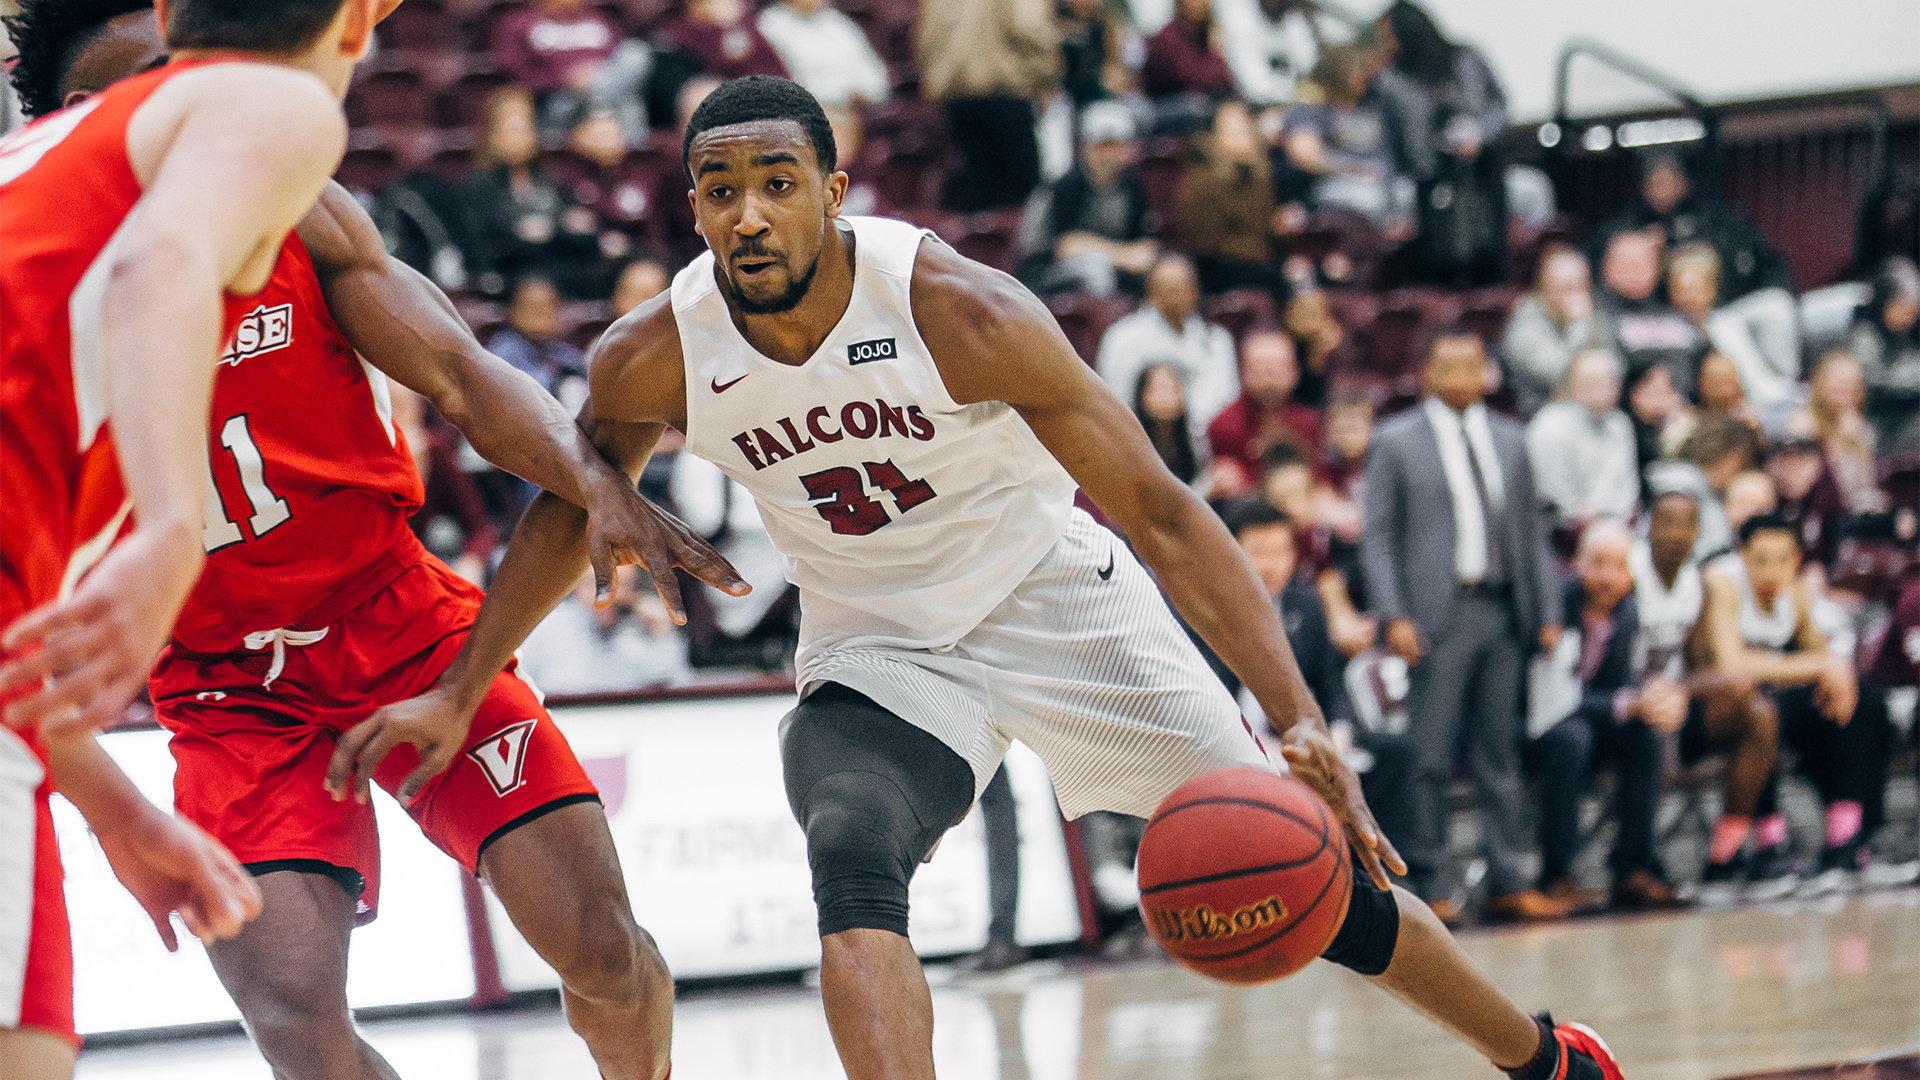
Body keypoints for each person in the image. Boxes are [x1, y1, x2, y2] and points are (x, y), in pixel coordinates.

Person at [356, 75, 1627, 1080]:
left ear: (834, 192)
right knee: (852, 863)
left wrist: (1296, 716)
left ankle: (1539, 1058)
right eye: (720, 190)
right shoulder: (654, 358)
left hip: (1057, 599)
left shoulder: (962, 311)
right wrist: (471, 681)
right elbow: (558, 514)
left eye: (777, 184)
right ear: (692, 207)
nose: (748, 215)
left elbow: (1164, 513)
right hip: (877, 639)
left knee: (1321, 881)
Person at [13, 7, 749, 1079]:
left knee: (601, 947)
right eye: (144, 91)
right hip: (225, 687)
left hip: (394, 617)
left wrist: (594, 484)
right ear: (80, 125)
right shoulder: (39, 281)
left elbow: (459, 373)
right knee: (293, 1020)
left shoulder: (297, 209)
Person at [0, 0, 398, 1070]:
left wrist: (121, 815)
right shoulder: (269, 102)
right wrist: (176, 527)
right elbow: (158, 263)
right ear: (355, 29)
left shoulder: (44, 161)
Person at [1360, 328, 1567, 924]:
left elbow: (1532, 533)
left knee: (1499, 755)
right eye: (1447, 365)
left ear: (1487, 373)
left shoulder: (1512, 439)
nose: (1460, 376)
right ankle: (1426, 884)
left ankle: (1507, 878)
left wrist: (1548, 611)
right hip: (1434, 617)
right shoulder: (1395, 441)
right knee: (1428, 757)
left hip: (1502, 611)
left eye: (1471, 365)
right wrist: (1393, 613)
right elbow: (1378, 537)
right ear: (1426, 373)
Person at [1700, 516, 1892, 899]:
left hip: (1774, 698)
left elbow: (1816, 653)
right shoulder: (1721, 583)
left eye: (1782, 560)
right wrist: (1824, 665)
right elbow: (1730, 664)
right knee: (1760, 714)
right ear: (1743, 557)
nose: (1772, 571)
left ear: (1796, 560)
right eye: (1761, 559)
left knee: (1865, 702)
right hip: (1714, 709)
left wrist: (1835, 673)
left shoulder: (1799, 591)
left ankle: (1844, 835)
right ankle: (1766, 843)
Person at [1215, 501, 1417, 862]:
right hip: (1240, 746)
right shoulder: (1208, 612)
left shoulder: (1305, 605)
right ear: (1231, 551)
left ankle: (1404, 879)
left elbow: (1331, 685)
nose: (1271, 565)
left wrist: (1338, 731)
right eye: (1259, 553)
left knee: (1395, 753)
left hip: (1309, 737)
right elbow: (1213, 701)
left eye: (1282, 552)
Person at [1625, 493, 1780, 906]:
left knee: (1758, 713)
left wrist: (1690, 688)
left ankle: (1725, 852)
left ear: (1697, 532)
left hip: (1682, 705)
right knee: (1651, 731)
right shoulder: (1628, 573)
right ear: (1649, 526)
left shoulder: (1699, 582)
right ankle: (1636, 862)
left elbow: (1701, 666)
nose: (1677, 534)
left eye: (1686, 524)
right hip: (1631, 707)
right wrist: (1652, 696)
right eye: (1667, 522)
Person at [1591, 151, 1799, 390]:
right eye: (1655, 182)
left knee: (1770, 309)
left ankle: (1784, 391)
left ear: (1686, 182)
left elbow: (1771, 267)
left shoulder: (1722, 222)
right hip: (1675, 317)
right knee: (1718, 327)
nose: (1662, 189)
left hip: (1727, 308)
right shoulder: (1627, 229)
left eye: (1669, 180)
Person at [1370, 1, 1507, 287]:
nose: (1387, 44)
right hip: (1428, 183)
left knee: (1489, 255)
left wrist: (1479, 134)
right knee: (1441, 264)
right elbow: (1389, 149)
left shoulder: (1466, 59)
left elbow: (1499, 107)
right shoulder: (1390, 81)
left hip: (1480, 175)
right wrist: (1392, 207)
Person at [459, 86, 602, 298]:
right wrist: (543, 233)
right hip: (513, 281)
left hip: (559, 270)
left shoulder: (549, 178)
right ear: (491, 135)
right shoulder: (479, 186)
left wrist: (549, 231)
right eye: (510, 130)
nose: (518, 138)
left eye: (524, 129)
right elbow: (486, 249)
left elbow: (579, 228)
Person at [918, 0, 1057, 212]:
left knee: (978, 188)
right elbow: (1030, 28)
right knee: (1023, 193)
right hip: (1005, 92)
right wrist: (1046, 77)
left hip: (958, 98)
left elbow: (925, 41)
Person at [1017, 99, 1157, 298]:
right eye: (1102, 146)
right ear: (1086, 147)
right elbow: (1066, 245)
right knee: (1097, 273)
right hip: (1045, 272)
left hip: (1112, 266)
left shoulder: (1131, 186)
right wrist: (1122, 255)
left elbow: (1139, 245)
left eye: (1115, 146)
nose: (1108, 154)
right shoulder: (1067, 184)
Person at [1095, 253, 1237, 431]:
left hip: (1204, 441)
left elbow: (1227, 398)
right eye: (1168, 289)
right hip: (1142, 439)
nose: (1175, 296)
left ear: (1195, 292)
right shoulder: (1122, 337)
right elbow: (1114, 402)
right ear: (1150, 293)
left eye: (1182, 288)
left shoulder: (1217, 340)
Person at [1281, 43, 1412, 234]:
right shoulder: (1312, 109)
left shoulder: (1379, 105)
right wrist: (1356, 170)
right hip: (1339, 190)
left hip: (1391, 187)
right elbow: (1304, 155)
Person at [1666, 241, 1799, 417]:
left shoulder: (1724, 324)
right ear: (1671, 292)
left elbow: (1755, 380)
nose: (1690, 298)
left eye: (1697, 289)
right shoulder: (1668, 330)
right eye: (1683, 290)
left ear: (1712, 289)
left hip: (1753, 406)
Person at [1172, 99, 1287, 299]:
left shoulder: (1262, 180)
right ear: (1214, 139)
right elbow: (1204, 239)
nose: (1243, 138)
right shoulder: (1201, 179)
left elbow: (1266, 232)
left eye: (1245, 130)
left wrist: (1284, 230)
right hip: (1220, 271)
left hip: (1262, 266)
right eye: (1233, 132)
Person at [1525, 348, 1639, 530]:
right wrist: (1586, 517)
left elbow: (1629, 490)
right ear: (1573, 384)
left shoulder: (1620, 425)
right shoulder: (1549, 427)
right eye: (1588, 382)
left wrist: (1608, 517)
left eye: (1605, 381)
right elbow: (1552, 499)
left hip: (1617, 529)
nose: (1596, 389)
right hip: (1563, 532)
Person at [1208, 330, 1322, 499]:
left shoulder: (1309, 424)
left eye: (1276, 370)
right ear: (1242, 373)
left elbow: (1320, 484)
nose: (1269, 382)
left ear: (1295, 373)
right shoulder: (1223, 427)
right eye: (1260, 371)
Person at [1595, 229, 1705, 397]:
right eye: (1626, 264)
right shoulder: (1594, 311)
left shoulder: (1674, 308)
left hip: (1682, 406)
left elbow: (1697, 355)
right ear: (1606, 267)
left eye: (1641, 264)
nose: (1634, 272)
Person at [492, 0, 622, 134]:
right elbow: (516, 70)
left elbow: (616, 61)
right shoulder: (519, 23)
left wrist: (593, 74)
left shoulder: (598, 19)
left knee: (634, 56)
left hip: (602, 89)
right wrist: (566, 79)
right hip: (551, 101)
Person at [1502, 246, 1601, 416]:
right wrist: (1579, 323)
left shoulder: (1591, 313)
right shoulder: (1524, 325)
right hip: (1540, 413)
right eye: (1565, 288)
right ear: (1543, 289)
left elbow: (1616, 365)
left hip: (1590, 411)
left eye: (1580, 287)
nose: (1575, 297)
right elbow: (1560, 374)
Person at [1786, 350, 1884, 514]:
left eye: (1854, 384)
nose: (1848, 391)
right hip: (1814, 511)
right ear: (1820, 384)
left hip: (1853, 514)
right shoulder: (1802, 426)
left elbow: (1865, 487)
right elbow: (1797, 489)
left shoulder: (1859, 427)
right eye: (1840, 384)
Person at [756, 0, 889, 110]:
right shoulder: (771, 24)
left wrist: (862, 94)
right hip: (813, 111)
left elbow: (877, 77)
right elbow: (790, 80)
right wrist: (841, 96)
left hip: (862, 108)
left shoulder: (838, 22)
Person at [1846, 254, 1920, 450]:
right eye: (1902, 309)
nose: (1909, 318)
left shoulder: (1911, 330)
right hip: (1876, 419)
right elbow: (1871, 381)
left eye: (1913, 311)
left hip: (1908, 414)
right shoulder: (1864, 332)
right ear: (1884, 301)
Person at [1214, 0, 1338, 107]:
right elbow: (1256, 89)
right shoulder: (1243, 24)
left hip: (1295, 105)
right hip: (1255, 107)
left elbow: (1310, 66)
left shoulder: (1295, 21)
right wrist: (1295, 93)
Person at [489, 274, 588, 393]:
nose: (540, 315)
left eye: (547, 306)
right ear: (512, 311)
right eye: (532, 308)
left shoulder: (565, 353)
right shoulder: (499, 355)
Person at [656, 0, 790, 84]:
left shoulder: (748, 21)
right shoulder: (679, 28)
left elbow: (776, 70)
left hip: (771, 95)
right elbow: (716, 66)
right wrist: (728, 25)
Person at [1140, 0, 1235, 117]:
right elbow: (1199, 80)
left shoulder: (1203, 37)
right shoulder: (1166, 40)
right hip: (1172, 123)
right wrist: (1217, 51)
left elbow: (1228, 82)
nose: (1203, 3)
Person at [1134, 364, 1204, 486]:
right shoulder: (1131, 443)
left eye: (1174, 388)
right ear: (1142, 396)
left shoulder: (1196, 440)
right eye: (1161, 388)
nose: (1168, 396)